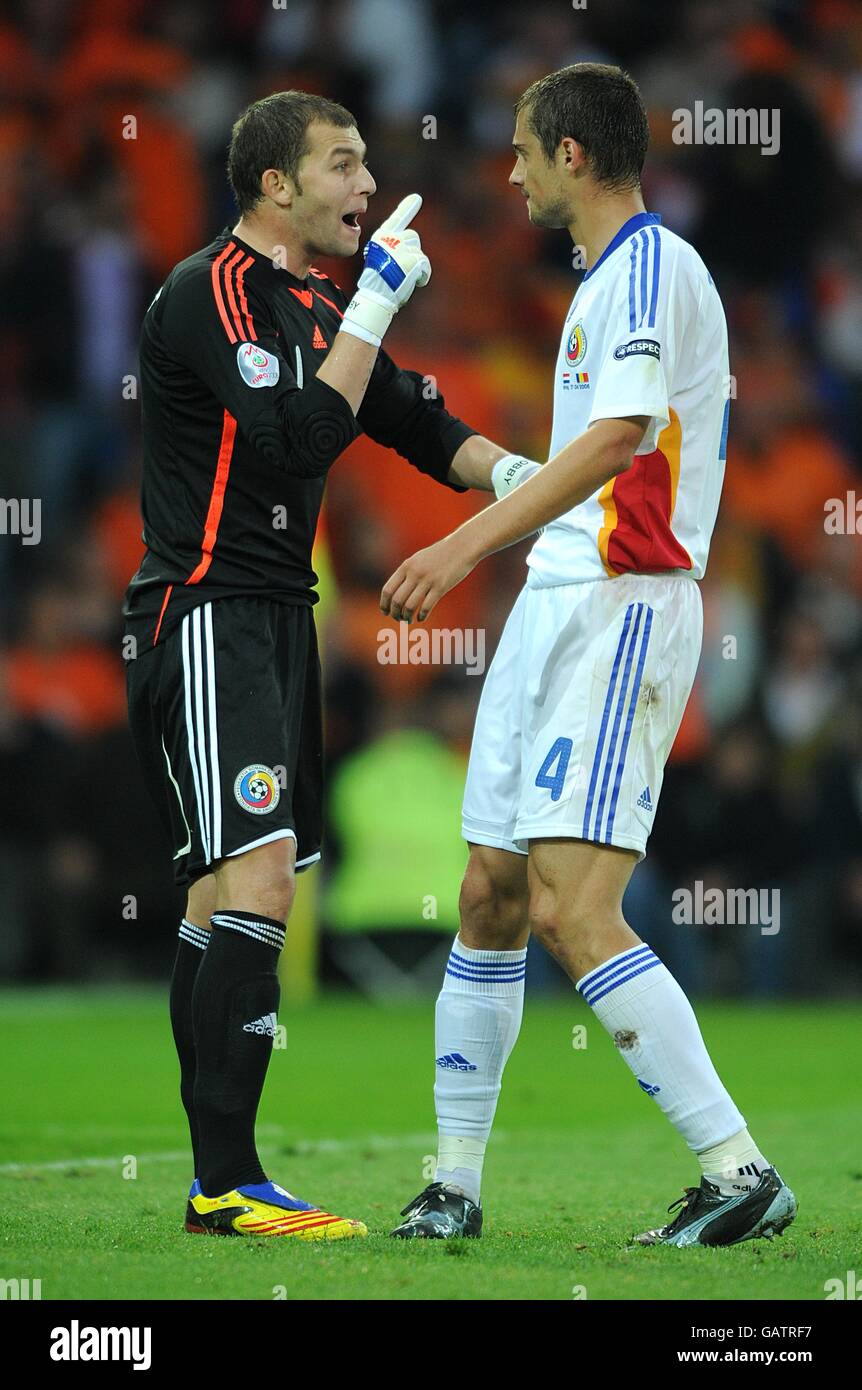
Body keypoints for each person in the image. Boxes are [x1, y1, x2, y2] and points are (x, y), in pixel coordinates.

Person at [383, 63, 797, 1248]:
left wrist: (463, 542)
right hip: (556, 600)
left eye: (521, 148)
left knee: (573, 907)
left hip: (621, 608)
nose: (507, 171)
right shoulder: (605, 283)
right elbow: (588, 453)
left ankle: (738, 1168)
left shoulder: (655, 269)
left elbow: (619, 440)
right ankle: (453, 1185)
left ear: (571, 154)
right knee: (489, 893)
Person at [124, 90, 507, 1240]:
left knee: (219, 890)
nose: (366, 186)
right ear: (273, 185)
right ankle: (228, 1180)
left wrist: (530, 480)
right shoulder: (215, 291)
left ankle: (215, 1175)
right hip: (208, 611)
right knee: (260, 879)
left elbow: (409, 418)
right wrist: (378, 305)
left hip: (277, 619)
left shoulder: (311, 300)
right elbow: (299, 438)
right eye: (342, 165)